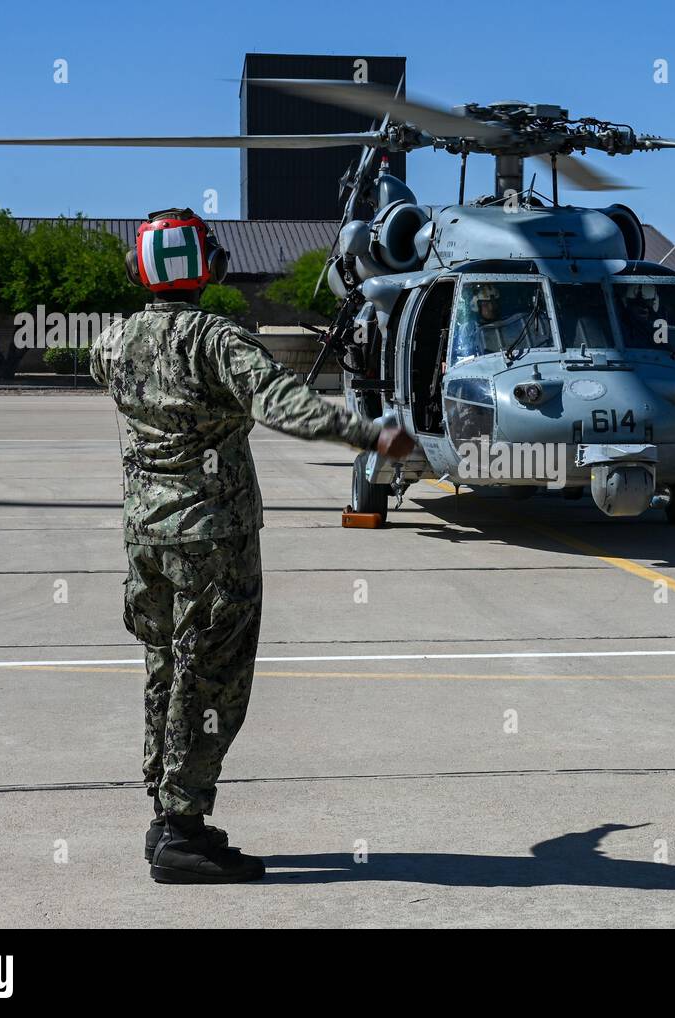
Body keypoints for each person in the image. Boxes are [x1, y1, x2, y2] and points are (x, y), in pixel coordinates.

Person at [91, 208, 414, 883]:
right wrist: (371, 436)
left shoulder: (111, 343)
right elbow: (284, 404)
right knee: (211, 680)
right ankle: (182, 827)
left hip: (146, 537)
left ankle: (168, 813)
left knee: (166, 671)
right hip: (213, 539)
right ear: (203, 268)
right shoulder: (218, 341)